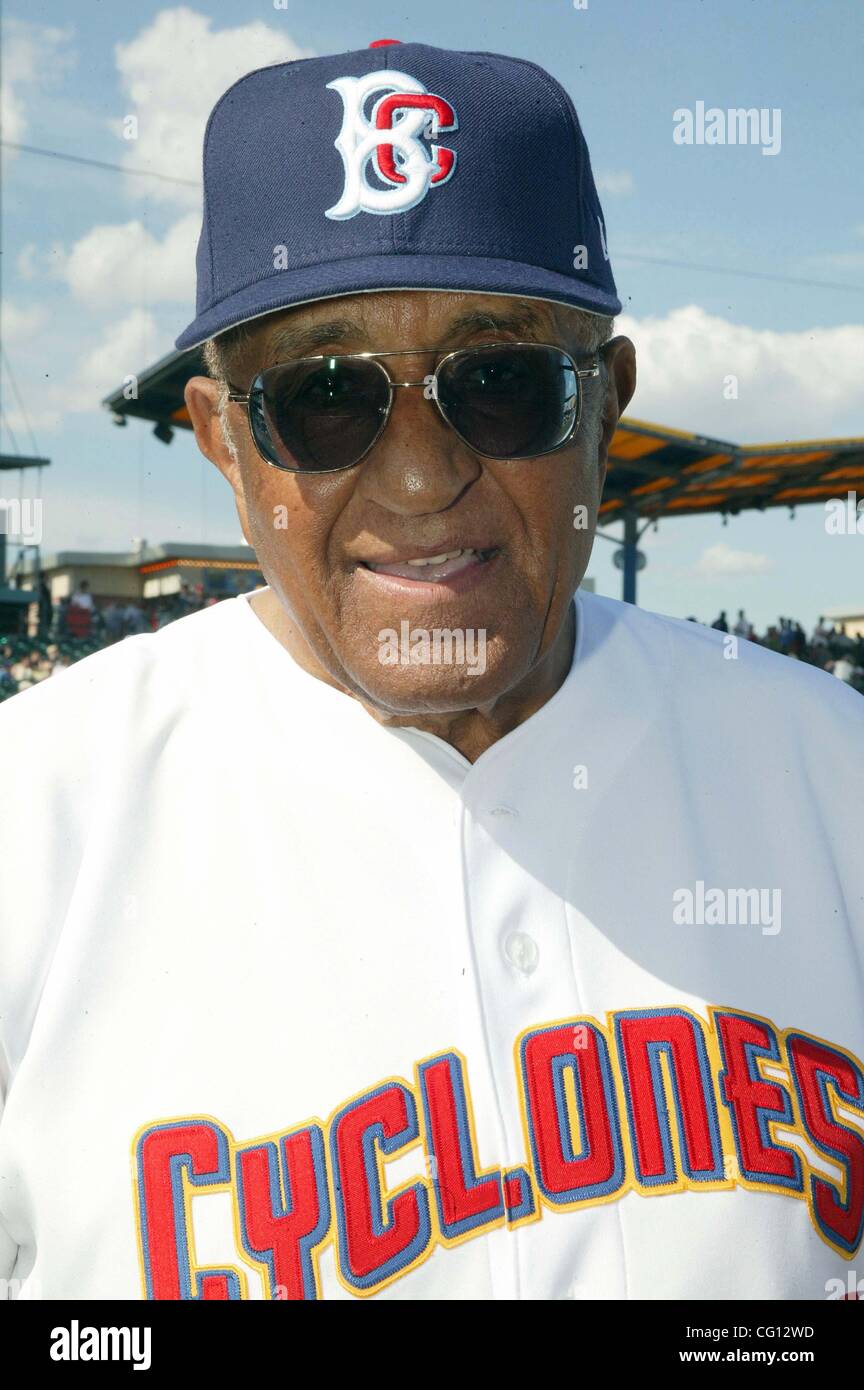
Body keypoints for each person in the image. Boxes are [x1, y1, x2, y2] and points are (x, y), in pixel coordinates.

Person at [1, 40, 862, 1305]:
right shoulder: (34, 815)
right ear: (225, 445)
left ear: (605, 409)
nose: (419, 477)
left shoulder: (832, 776)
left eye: (502, 381)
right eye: (324, 397)